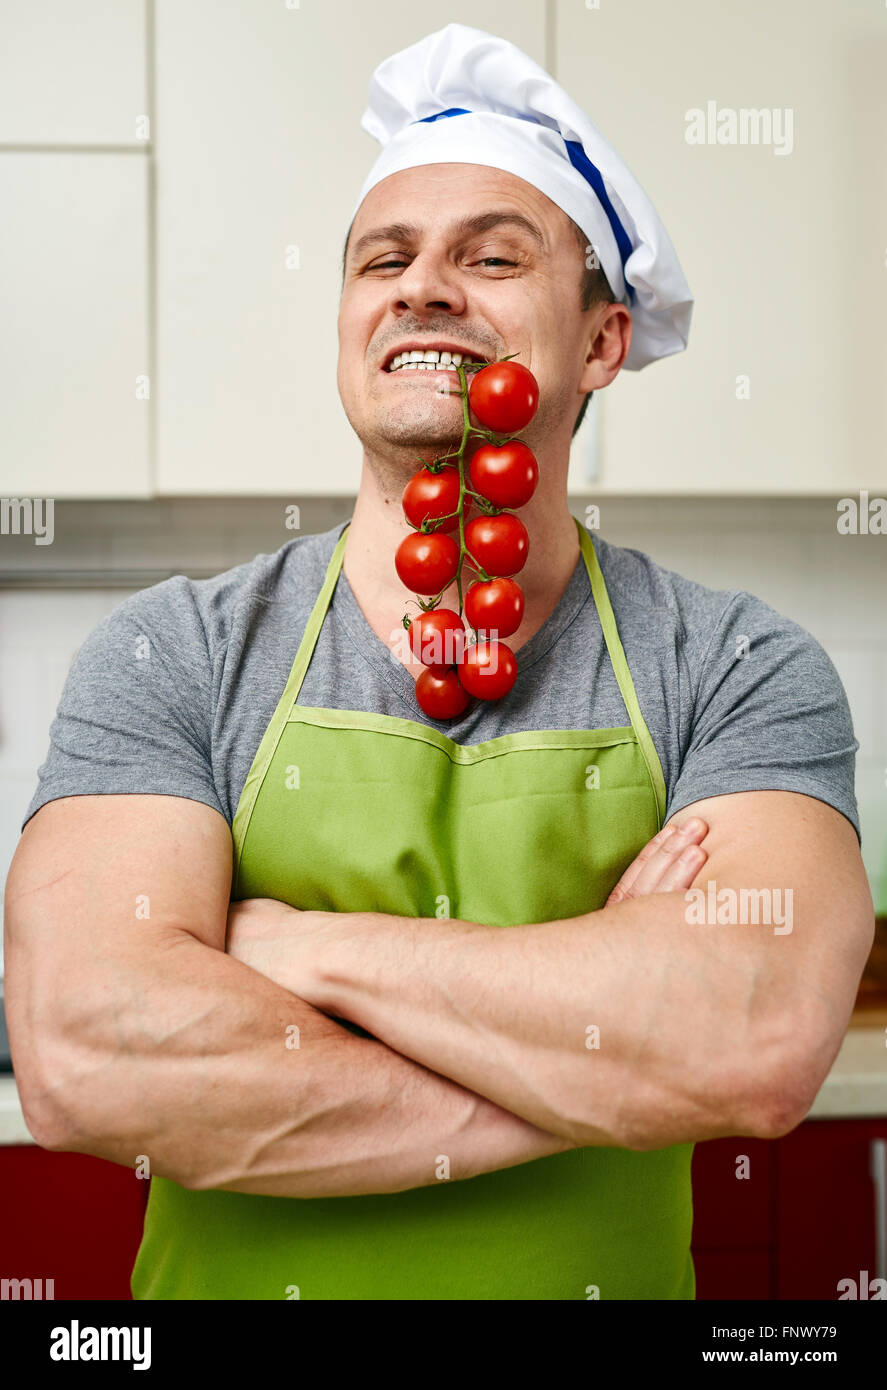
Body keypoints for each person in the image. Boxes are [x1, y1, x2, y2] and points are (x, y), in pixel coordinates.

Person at [5, 24, 873, 1301]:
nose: (420, 287)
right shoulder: (172, 654)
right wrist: (604, 1064)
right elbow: (87, 1054)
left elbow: (749, 1037)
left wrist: (299, 949)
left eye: (492, 254)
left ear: (600, 343)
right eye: (383, 258)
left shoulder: (734, 663)